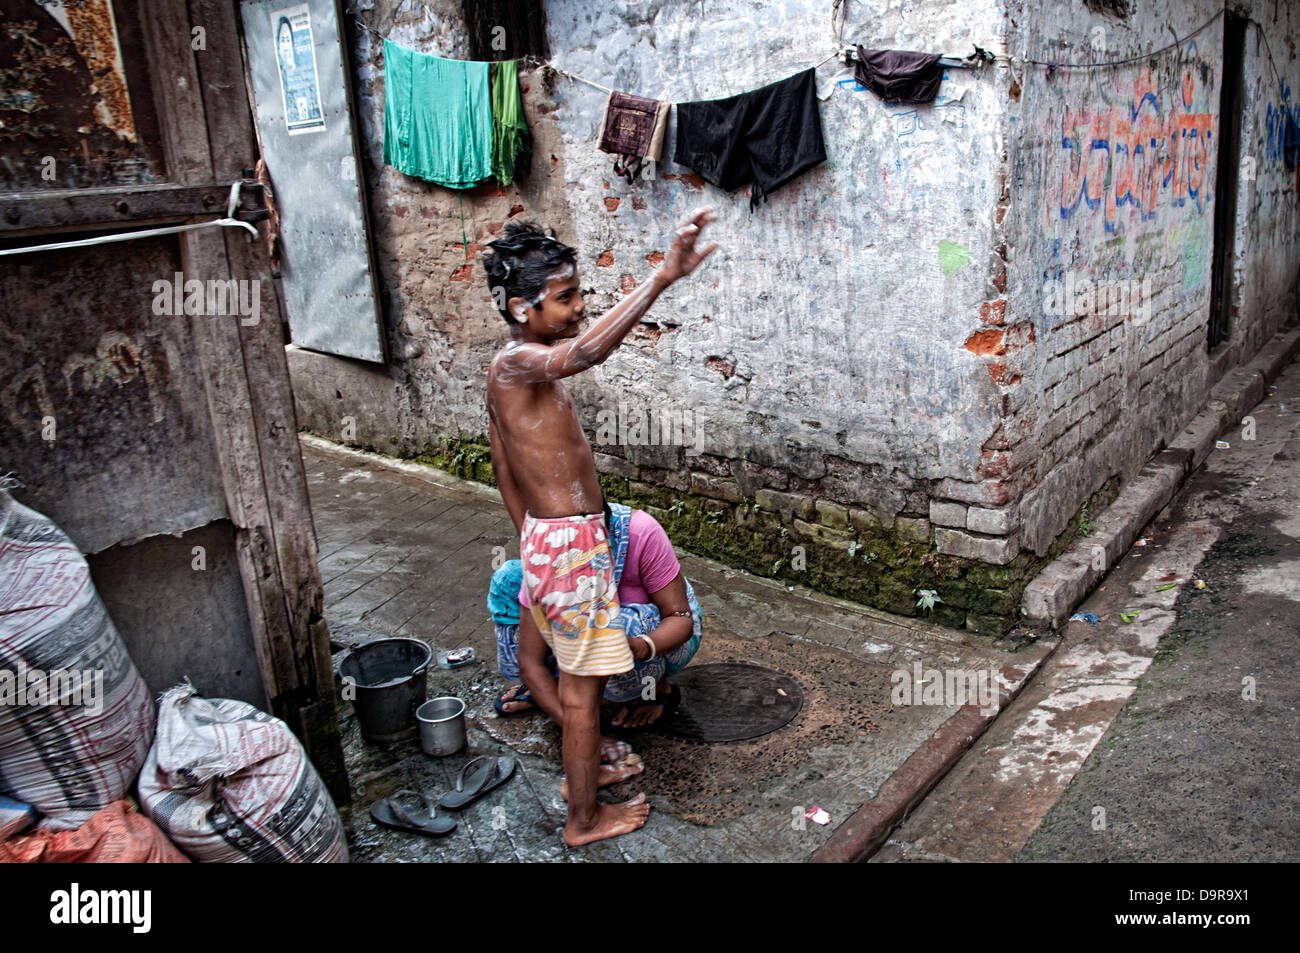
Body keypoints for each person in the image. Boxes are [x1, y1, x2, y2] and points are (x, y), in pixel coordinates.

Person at [483, 211, 717, 846]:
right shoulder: (518, 364)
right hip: (566, 547)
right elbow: (583, 353)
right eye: (566, 297)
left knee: (581, 689)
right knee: (582, 697)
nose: (580, 307)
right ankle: (583, 821)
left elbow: (506, 466)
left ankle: (579, 781)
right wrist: (661, 279)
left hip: (558, 544)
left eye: (579, 293)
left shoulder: (518, 370)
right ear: (519, 307)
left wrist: (536, 542)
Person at [490, 502, 703, 729]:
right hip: (584, 621)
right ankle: (552, 684)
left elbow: (679, 617)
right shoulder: (548, 545)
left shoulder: (641, 532)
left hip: (661, 628)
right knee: (509, 579)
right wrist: (565, 715)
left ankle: (656, 687)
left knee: (615, 624)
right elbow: (529, 661)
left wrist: (640, 647)